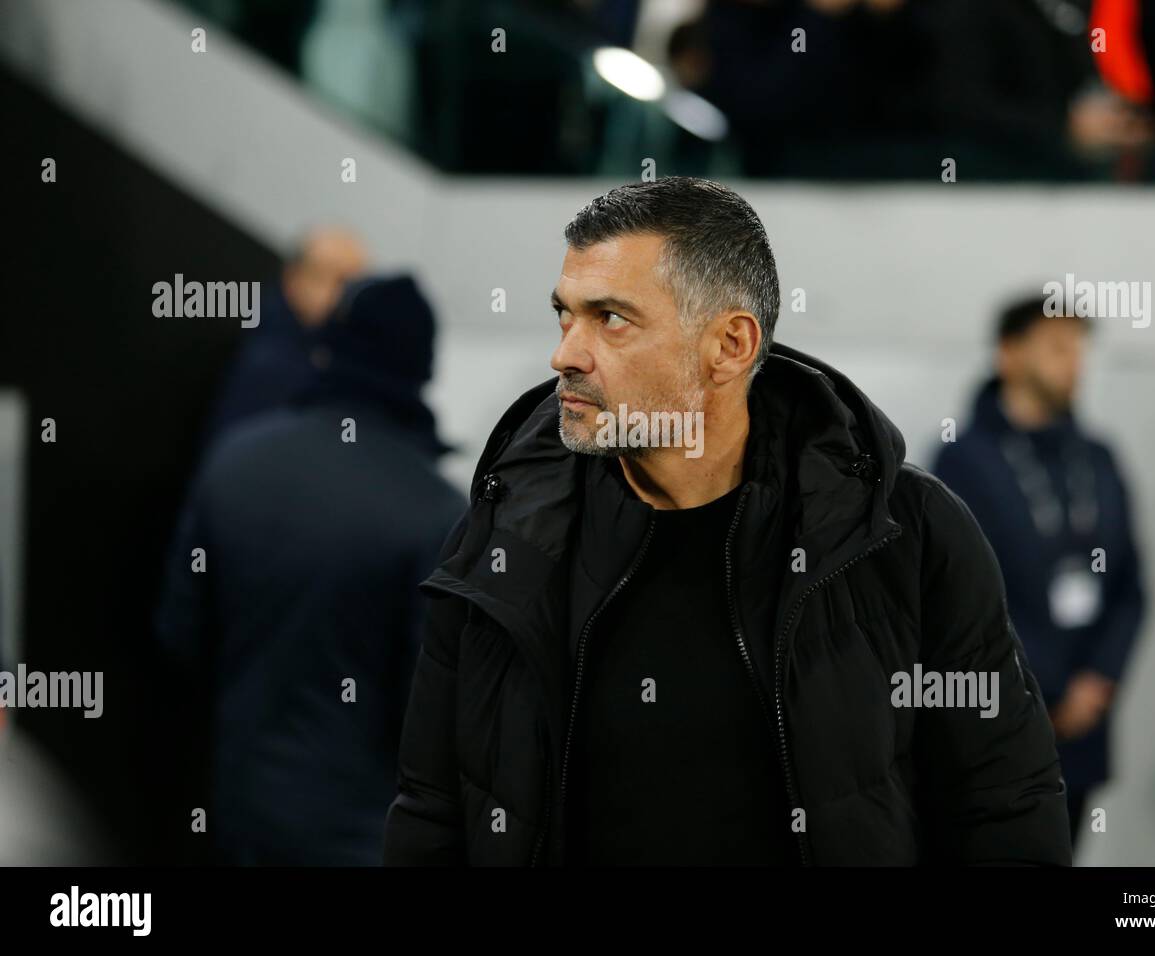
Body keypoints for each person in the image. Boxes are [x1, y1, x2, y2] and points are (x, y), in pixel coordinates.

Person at [384, 177, 1071, 866]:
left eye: (611, 319)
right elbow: (433, 811)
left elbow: (1005, 806)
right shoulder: (506, 536)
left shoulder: (906, 534)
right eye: (564, 314)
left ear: (731, 345)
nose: (566, 353)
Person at [156, 276, 465, 865]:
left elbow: (180, 632)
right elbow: (434, 716)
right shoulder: (436, 514)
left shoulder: (237, 460)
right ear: (422, 368)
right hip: (364, 833)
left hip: (237, 810)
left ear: (330, 348)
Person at [933, 293, 1146, 845]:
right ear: (1009, 354)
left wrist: (1098, 680)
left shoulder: (1098, 458)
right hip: (999, 723)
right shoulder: (962, 460)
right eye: (1056, 348)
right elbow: (954, 596)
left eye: (1078, 349)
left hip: (1082, 726)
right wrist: (1039, 690)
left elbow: (1131, 586)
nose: (1074, 363)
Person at [203, 226, 369, 445]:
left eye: (358, 286)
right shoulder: (272, 361)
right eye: (337, 280)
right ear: (295, 278)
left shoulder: (324, 355)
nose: (347, 296)